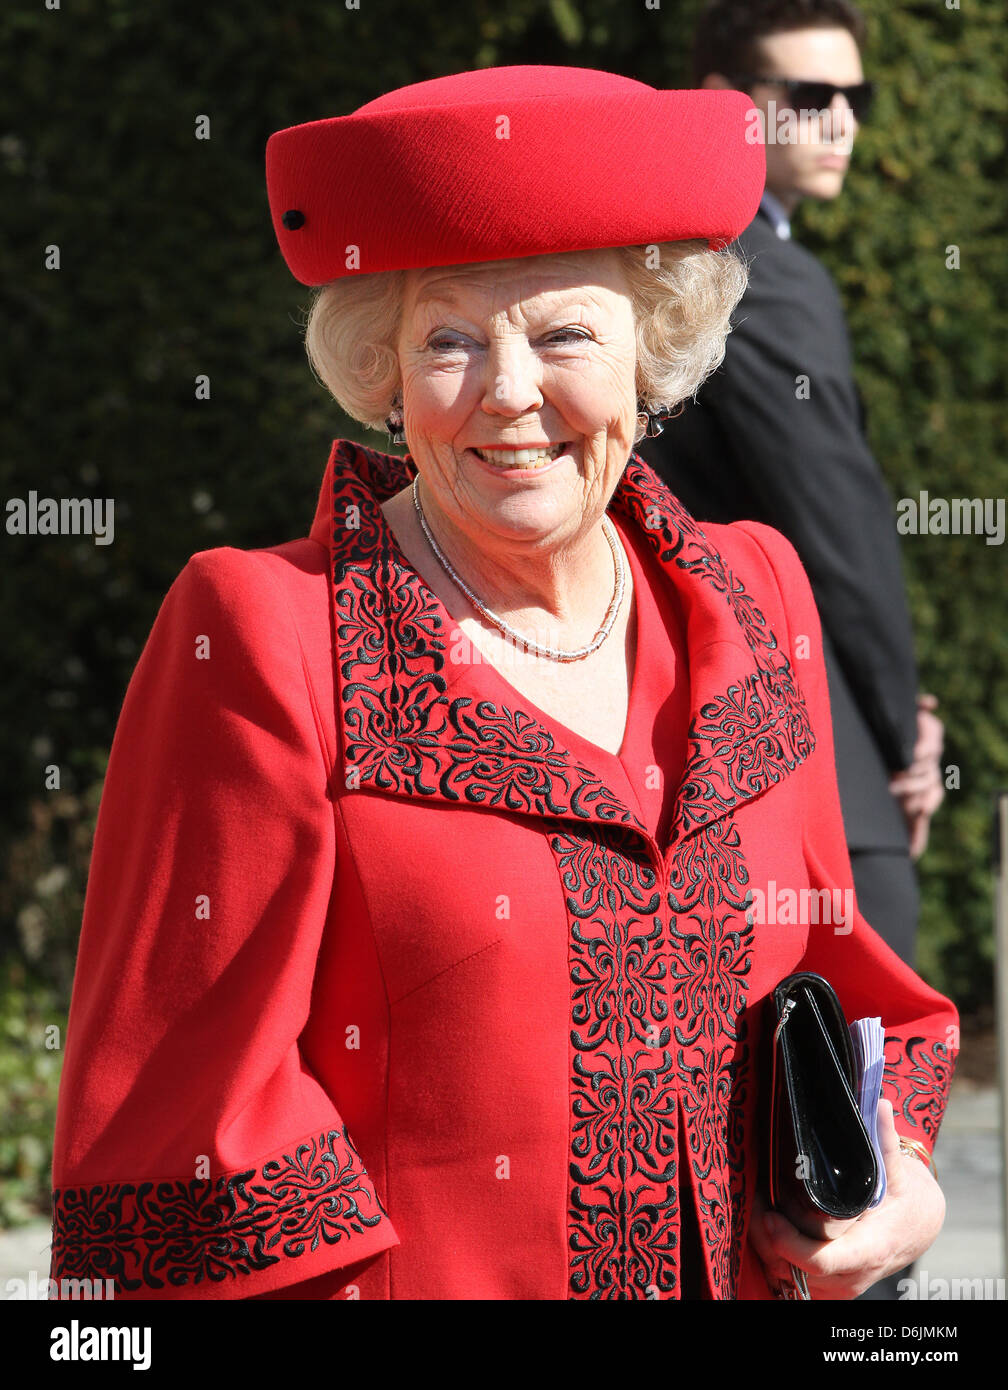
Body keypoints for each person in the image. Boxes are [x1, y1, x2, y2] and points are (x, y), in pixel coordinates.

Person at [49, 64, 956, 1302]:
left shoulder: (756, 596)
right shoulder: (263, 630)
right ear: (383, 367)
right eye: (450, 338)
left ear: (658, 349)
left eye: (566, 330)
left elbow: (845, 990)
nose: (510, 391)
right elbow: (179, 1131)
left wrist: (898, 1177)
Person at [641, 0, 946, 980]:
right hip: (822, 788)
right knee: (865, 1118)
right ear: (730, 105)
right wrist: (905, 739)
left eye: (853, 96)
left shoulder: (661, 258)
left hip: (698, 778)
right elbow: (839, 527)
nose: (844, 123)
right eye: (810, 96)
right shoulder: (762, 275)